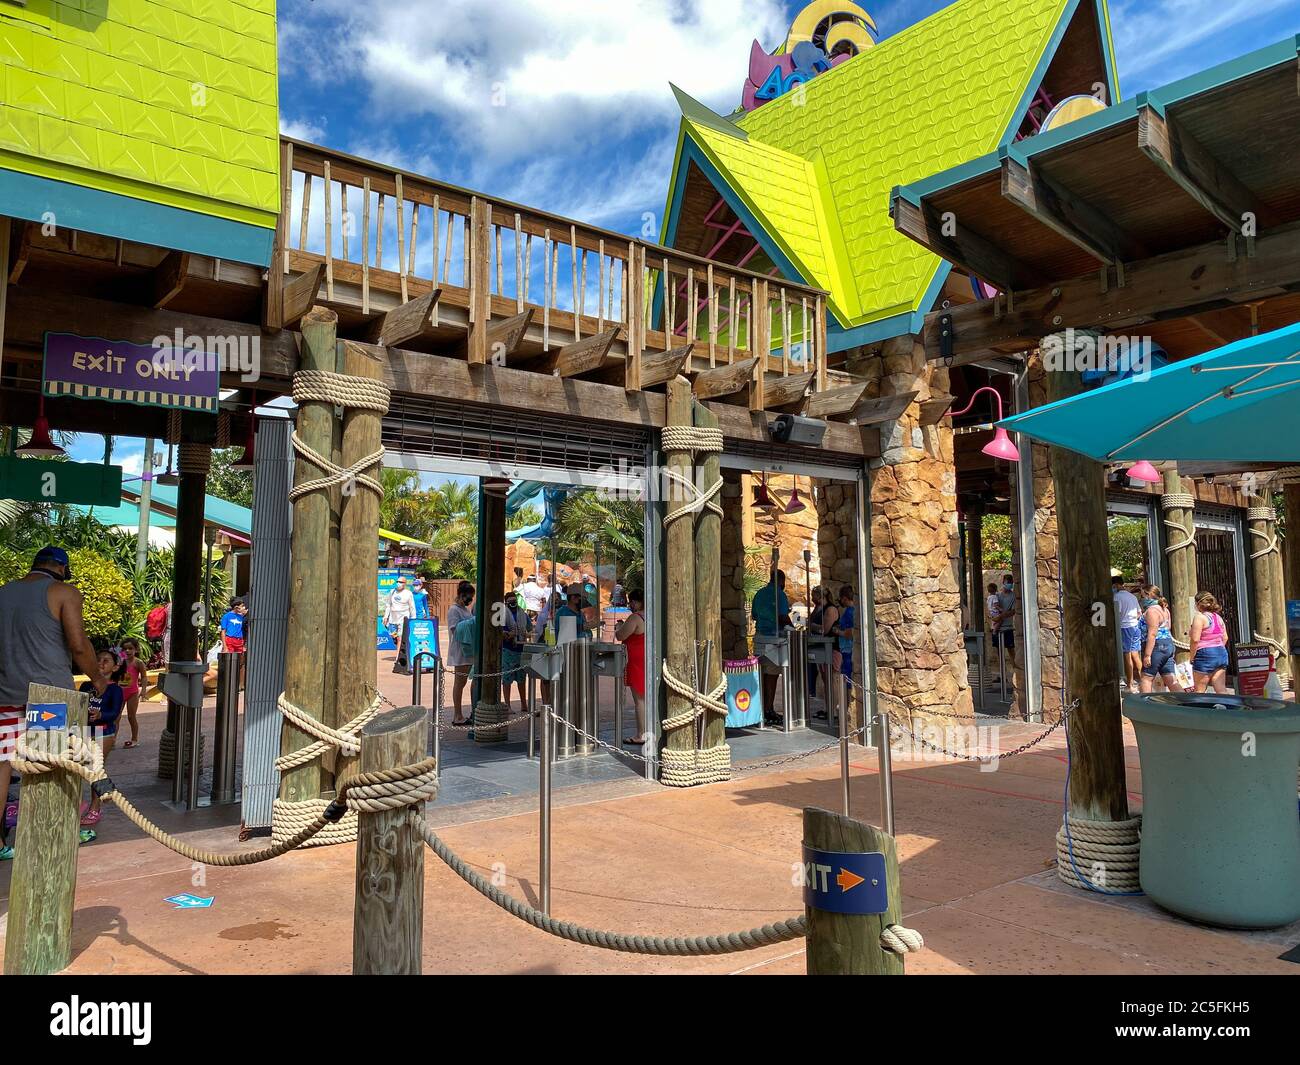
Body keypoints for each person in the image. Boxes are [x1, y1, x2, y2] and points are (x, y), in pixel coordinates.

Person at [0, 546, 106, 860]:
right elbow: (78, 644)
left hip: (6, 694)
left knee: (4, 766)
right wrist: (97, 679)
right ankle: (61, 833)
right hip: (50, 698)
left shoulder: (4, 593)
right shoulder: (64, 592)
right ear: (61, 568)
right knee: (57, 764)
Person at [79, 649, 126, 828]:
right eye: (98, 659)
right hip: (84, 731)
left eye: (106, 660)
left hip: (104, 732)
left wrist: (101, 714)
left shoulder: (115, 690)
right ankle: (105, 791)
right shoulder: (85, 686)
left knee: (95, 768)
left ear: (115, 667)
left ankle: (95, 807)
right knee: (80, 767)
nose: (101, 662)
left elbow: (114, 713)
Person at [752, 569, 791, 725]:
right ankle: (769, 709)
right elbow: (782, 616)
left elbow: (754, 615)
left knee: (761, 675)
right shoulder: (779, 594)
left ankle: (761, 708)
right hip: (773, 640)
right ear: (781, 581)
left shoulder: (759, 593)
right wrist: (792, 627)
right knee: (772, 675)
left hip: (759, 637)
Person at [616, 590, 648, 745]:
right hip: (648, 657)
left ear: (638, 602)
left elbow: (620, 635)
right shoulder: (653, 615)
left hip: (636, 661)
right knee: (648, 697)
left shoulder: (636, 618)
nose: (630, 604)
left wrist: (619, 627)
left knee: (639, 700)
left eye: (632, 601)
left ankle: (641, 734)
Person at [1137, 586, 1182, 694]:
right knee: (1170, 679)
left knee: (1146, 678)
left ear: (1148, 595)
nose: (1141, 598)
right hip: (1167, 644)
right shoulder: (1164, 609)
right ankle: (1184, 703)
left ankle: (1146, 706)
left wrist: (1147, 655)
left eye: (1142, 595)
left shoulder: (1152, 611)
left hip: (1156, 646)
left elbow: (1152, 634)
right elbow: (1168, 628)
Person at [445, 581, 475, 726]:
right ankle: (457, 714)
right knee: (460, 683)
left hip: (469, 650)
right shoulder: (454, 610)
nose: (470, 600)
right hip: (459, 651)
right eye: (469, 597)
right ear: (462, 595)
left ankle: (472, 711)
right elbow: (455, 629)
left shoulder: (465, 610)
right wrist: (471, 623)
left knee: (470, 681)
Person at [1189, 591, 1230, 694]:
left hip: (1204, 654)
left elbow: (1195, 640)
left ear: (1198, 604)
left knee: (1199, 690)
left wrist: (1192, 656)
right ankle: (1228, 708)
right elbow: (1225, 637)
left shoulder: (1199, 617)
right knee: (1221, 688)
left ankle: (1200, 710)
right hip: (1221, 652)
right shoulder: (1218, 618)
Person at [500, 591, 529, 709]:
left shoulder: (522, 613)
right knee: (507, 679)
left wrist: (526, 633)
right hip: (508, 649)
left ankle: (524, 703)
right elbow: (499, 631)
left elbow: (529, 628)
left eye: (514, 601)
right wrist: (508, 634)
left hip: (520, 648)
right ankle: (507, 704)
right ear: (506, 603)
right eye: (510, 602)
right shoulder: (502, 614)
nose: (513, 604)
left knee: (522, 678)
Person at [1112, 576, 1142, 690]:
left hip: (1124, 627)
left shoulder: (1117, 597)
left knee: (1127, 655)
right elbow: (1139, 613)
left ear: (1115, 585)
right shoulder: (1132, 596)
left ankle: (1130, 684)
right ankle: (1144, 680)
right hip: (1135, 626)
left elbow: (1116, 613)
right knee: (1135, 654)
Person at [118, 637, 147, 750]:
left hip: (132, 693)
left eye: (130, 648)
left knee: (131, 716)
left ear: (136, 649)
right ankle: (112, 739)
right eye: (125, 649)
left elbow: (144, 677)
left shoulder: (138, 662)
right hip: (119, 693)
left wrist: (143, 691)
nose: (128, 651)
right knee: (116, 717)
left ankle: (134, 739)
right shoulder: (119, 661)